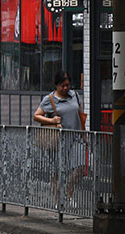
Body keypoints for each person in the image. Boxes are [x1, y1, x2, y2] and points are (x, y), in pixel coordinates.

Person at [33, 70, 87, 204]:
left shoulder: (74, 95)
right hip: (58, 140)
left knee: (81, 167)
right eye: (62, 86)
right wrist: (52, 121)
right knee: (58, 170)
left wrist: (84, 134)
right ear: (56, 85)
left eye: (67, 85)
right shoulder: (50, 99)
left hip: (76, 137)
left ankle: (69, 194)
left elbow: (81, 116)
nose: (65, 88)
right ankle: (58, 200)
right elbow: (36, 116)